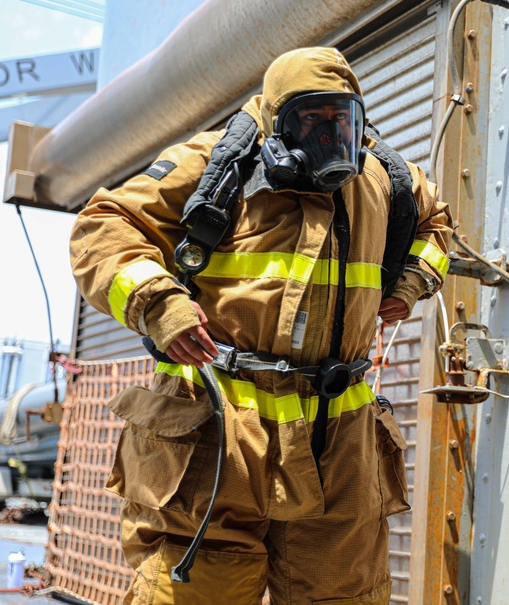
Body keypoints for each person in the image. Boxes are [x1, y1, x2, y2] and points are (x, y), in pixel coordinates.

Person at [70, 46, 453, 604]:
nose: (330, 134)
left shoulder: (384, 180)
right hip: (217, 438)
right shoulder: (216, 166)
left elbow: (437, 225)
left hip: (338, 447)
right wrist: (158, 304)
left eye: (341, 119)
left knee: (343, 595)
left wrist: (412, 281)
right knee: (202, 592)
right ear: (277, 122)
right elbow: (103, 225)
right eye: (311, 119)